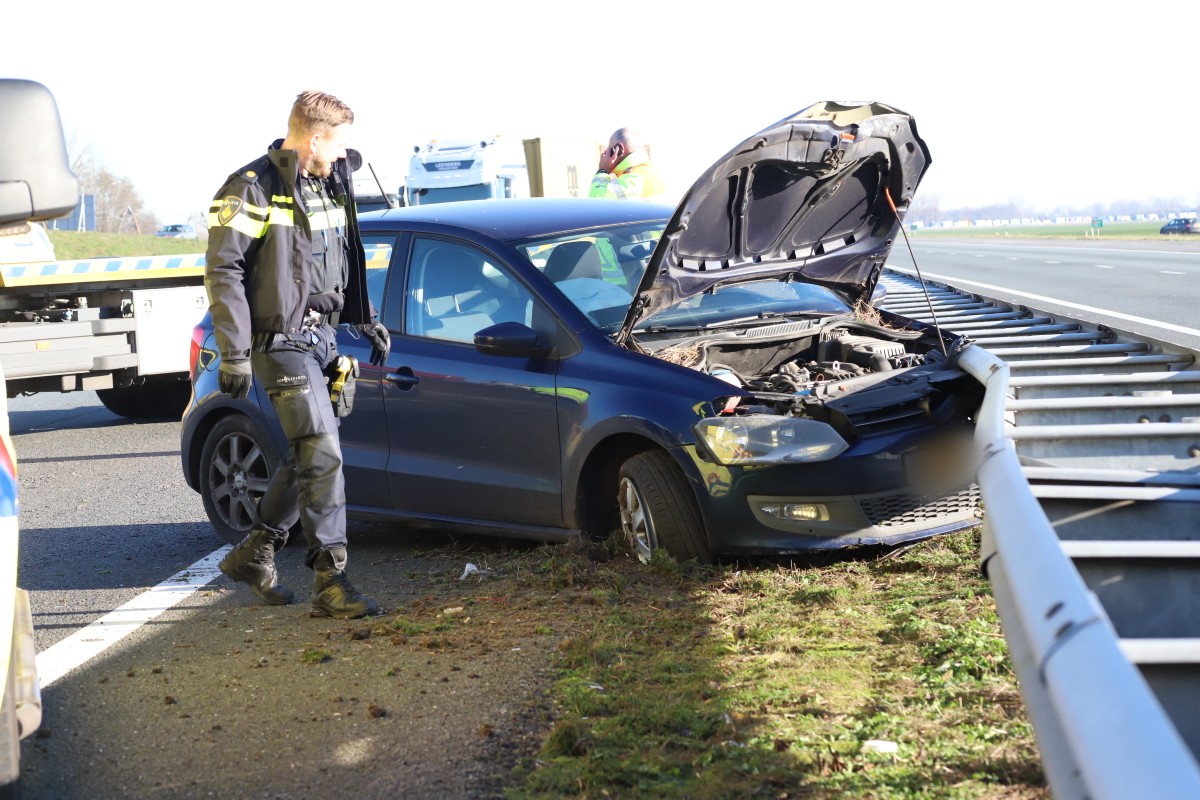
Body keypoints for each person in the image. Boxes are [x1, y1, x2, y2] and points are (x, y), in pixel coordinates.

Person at [204, 90, 391, 619]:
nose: (343, 154)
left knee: (307, 453)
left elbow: (339, 257)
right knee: (322, 453)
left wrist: (363, 318)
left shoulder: (328, 182)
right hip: (278, 342)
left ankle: (255, 552)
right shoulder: (250, 189)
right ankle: (330, 581)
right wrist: (234, 351)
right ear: (314, 137)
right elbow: (223, 271)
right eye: (338, 144)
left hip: (321, 338)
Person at [588, 127, 667, 201]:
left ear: (619, 149)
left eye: (610, 150)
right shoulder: (649, 169)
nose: (606, 154)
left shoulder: (633, 177)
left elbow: (597, 201)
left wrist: (602, 170)